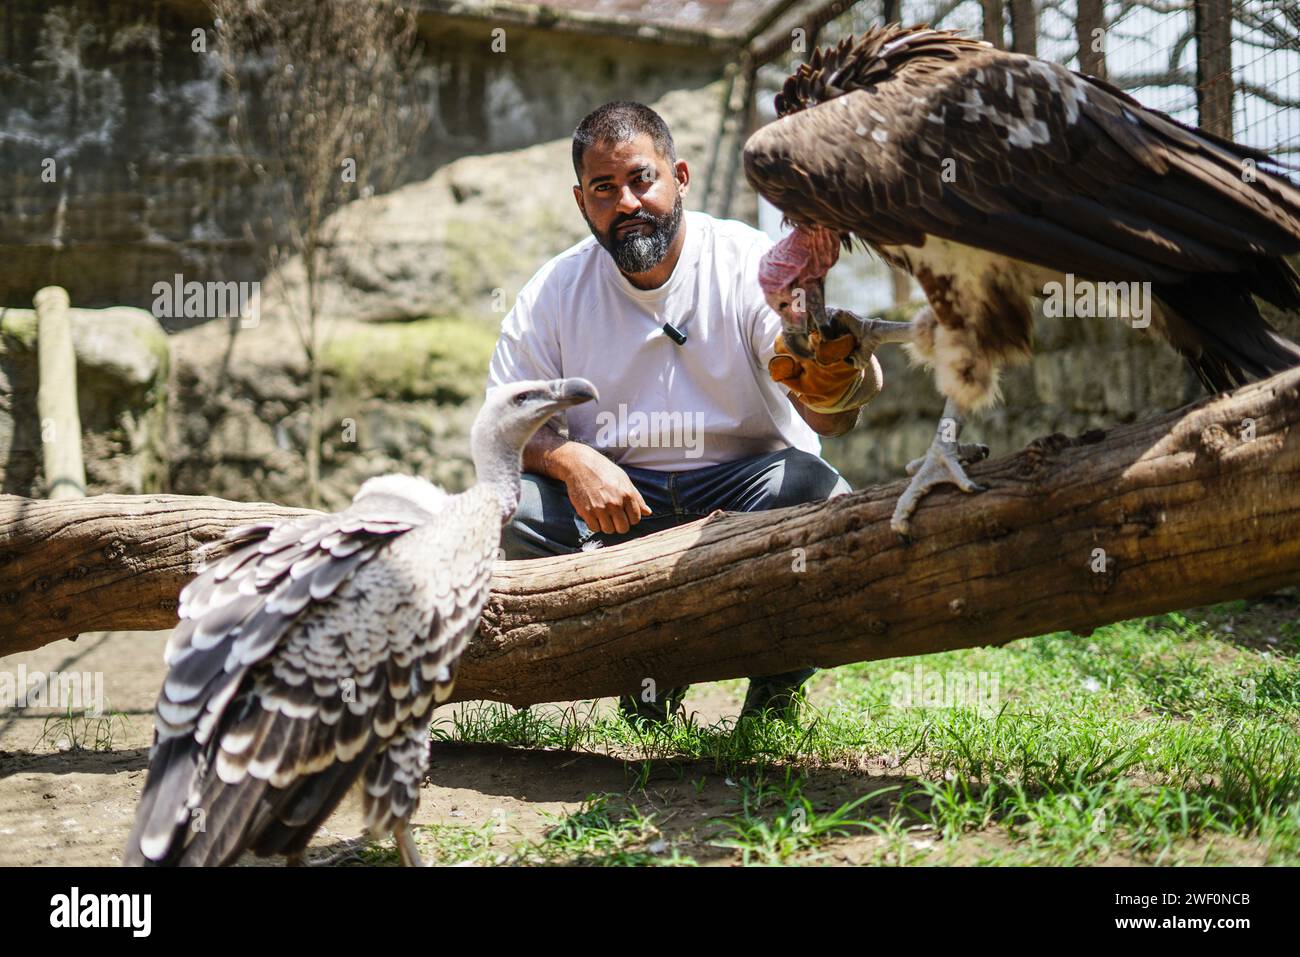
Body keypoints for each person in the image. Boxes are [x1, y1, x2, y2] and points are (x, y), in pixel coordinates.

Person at [485, 100, 881, 723]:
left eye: (642, 179)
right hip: (618, 513)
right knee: (512, 512)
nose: (627, 203)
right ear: (581, 200)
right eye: (604, 188)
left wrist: (833, 381)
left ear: (681, 177)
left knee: (817, 495)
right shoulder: (553, 292)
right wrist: (571, 458)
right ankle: (642, 667)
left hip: (745, 497)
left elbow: (831, 420)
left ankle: (775, 684)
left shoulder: (750, 264)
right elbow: (500, 427)